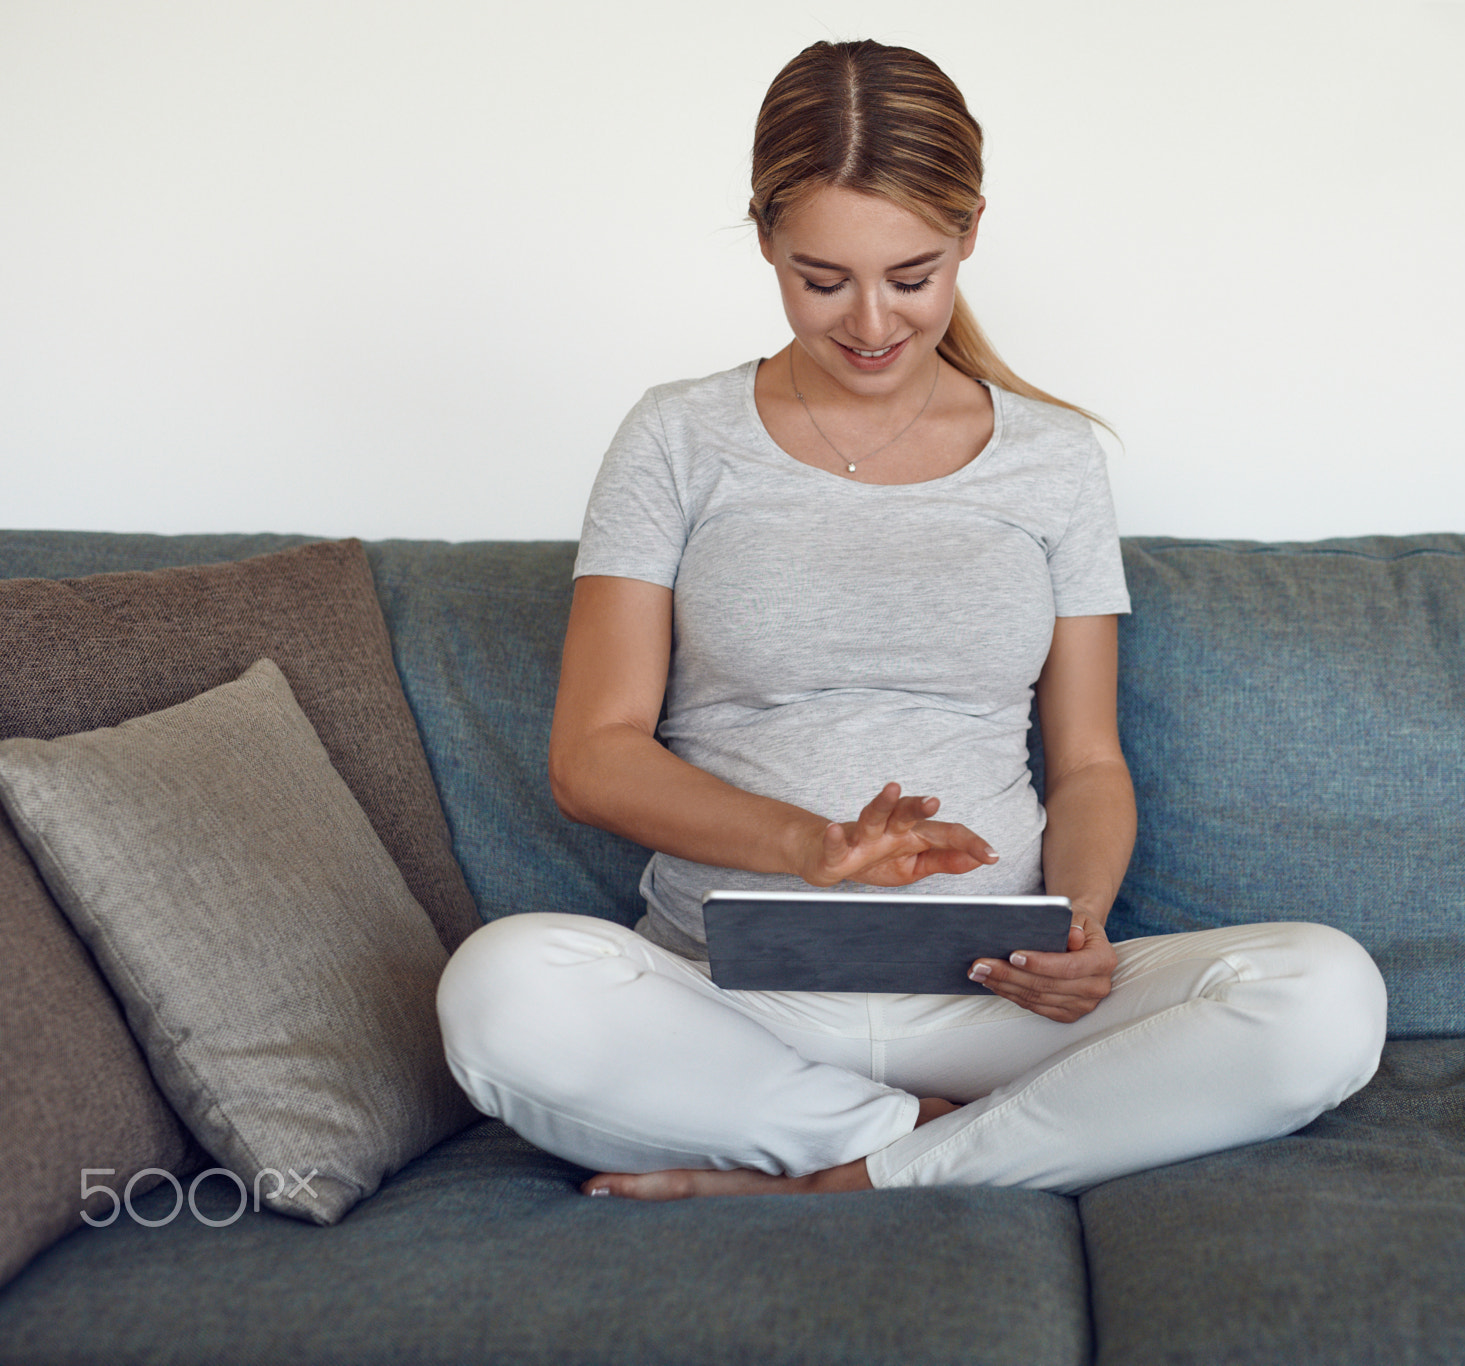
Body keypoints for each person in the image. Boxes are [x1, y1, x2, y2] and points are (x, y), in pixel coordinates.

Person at [435, 38, 1387, 1199]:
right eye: (821, 279)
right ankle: (929, 1144)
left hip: (993, 1000)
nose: (871, 322)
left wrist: (1080, 926)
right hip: (732, 1007)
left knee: (1324, 992)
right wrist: (810, 845)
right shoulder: (674, 437)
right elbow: (593, 758)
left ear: (970, 232)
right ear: (764, 240)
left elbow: (1089, 761)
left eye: (912, 275)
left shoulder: (1051, 458)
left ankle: (843, 1176)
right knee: (501, 986)